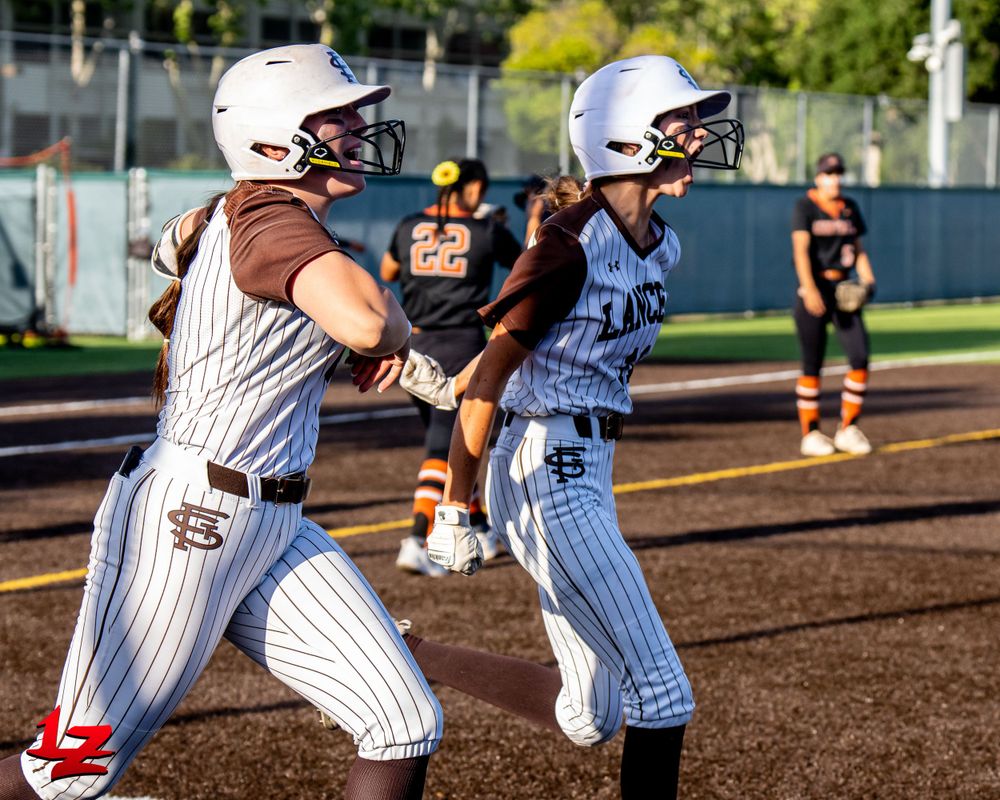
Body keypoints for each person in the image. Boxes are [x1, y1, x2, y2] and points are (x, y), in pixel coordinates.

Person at [0, 44, 442, 800]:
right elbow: (370, 323)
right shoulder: (272, 219)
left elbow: (178, 240)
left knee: (402, 720)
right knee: (70, 771)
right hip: (192, 520)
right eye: (334, 116)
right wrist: (393, 332)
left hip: (269, 516)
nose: (355, 129)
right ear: (272, 143)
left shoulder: (245, 212)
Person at [389, 55, 744, 800]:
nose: (699, 134)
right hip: (546, 468)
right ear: (626, 136)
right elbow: (492, 376)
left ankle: (409, 653)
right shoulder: (567, 244)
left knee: (589, 716)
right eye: (682, 120)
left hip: (588, 465)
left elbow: (537, 353)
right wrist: (455, 505)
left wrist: (454, 389)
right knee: (663, 693)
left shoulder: (661, 242)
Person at [380, 158, 521, 577]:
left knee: (450, 441)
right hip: (462, 344)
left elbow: (388, 270)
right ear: (474, 188)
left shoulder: (409, 224)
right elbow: (525, 266)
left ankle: (482, 529)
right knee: (443, 447)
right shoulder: (487, 229)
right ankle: (417, 539)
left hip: (414, 345)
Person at [792, 152, 877, 457]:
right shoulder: (805, 206)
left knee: (860, 357)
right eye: (829, 173)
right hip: (815, 289)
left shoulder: (849, 207)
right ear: (818, 178)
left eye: (838, 173)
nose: (835, 179)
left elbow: (858, 249)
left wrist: (868, 279)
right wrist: (809, 288)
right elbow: (801, 250)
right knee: (812, 363)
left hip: (843, 290)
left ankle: (848, 428)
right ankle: (811, 433)